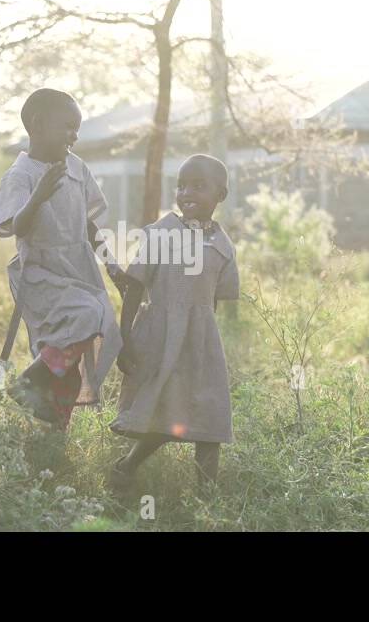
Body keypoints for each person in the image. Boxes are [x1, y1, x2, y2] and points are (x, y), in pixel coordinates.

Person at [0, 88, 126, 427]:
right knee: (86, 315)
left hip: (78, 267)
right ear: (37, 125)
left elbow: (87, 221)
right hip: (41, 273)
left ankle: (53, 422)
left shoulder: (76, 168)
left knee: (87, 343)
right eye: (68, 126)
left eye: (77, 127)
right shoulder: (20, 176)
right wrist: (36, 197)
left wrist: (109, 260)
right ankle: (28, 383)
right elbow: (17, 227)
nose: (75, 135)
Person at [108, 154, 239, 491]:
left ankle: (207, 501)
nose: (186, 193)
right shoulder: (161, 234)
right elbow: (136, 285)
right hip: (160, 338)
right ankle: (126, 467)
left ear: (220, 195)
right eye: (181, 186)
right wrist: (125, 337)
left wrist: (210, 347)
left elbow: (214, 302)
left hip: (201, 345)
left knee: (211, 416)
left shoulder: (223, 246)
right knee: (163, 414)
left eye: (198, 186)